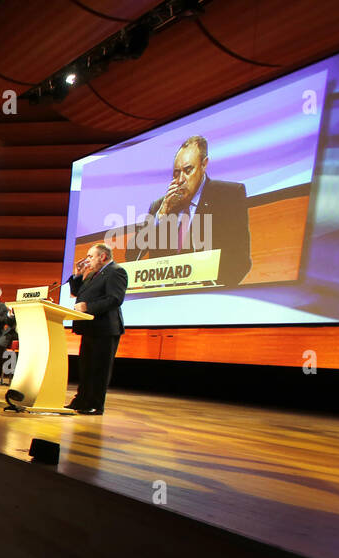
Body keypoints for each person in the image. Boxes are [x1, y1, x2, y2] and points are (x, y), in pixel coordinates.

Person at [135, 135, 251, 288]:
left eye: (188, 170)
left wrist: (212, 289)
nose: (180, 179)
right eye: (176, 173)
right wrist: (161, 214)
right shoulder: (160, 206)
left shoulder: (229, 195)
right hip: (162, 301)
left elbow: (240, 260)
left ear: (204, 165)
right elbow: (132, 256)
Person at [67, 243, 128, 415]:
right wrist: (78, 275)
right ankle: (81, 400)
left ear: (103, 256)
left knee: (99, 369)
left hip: (106, 328)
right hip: (90, 327)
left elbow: (115, 299)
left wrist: (88, 307)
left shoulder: (116, 271)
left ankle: (95, 404)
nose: (88, 260)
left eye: (90, 256)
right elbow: (78, 292)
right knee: (86, 368)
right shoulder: (93, 274)